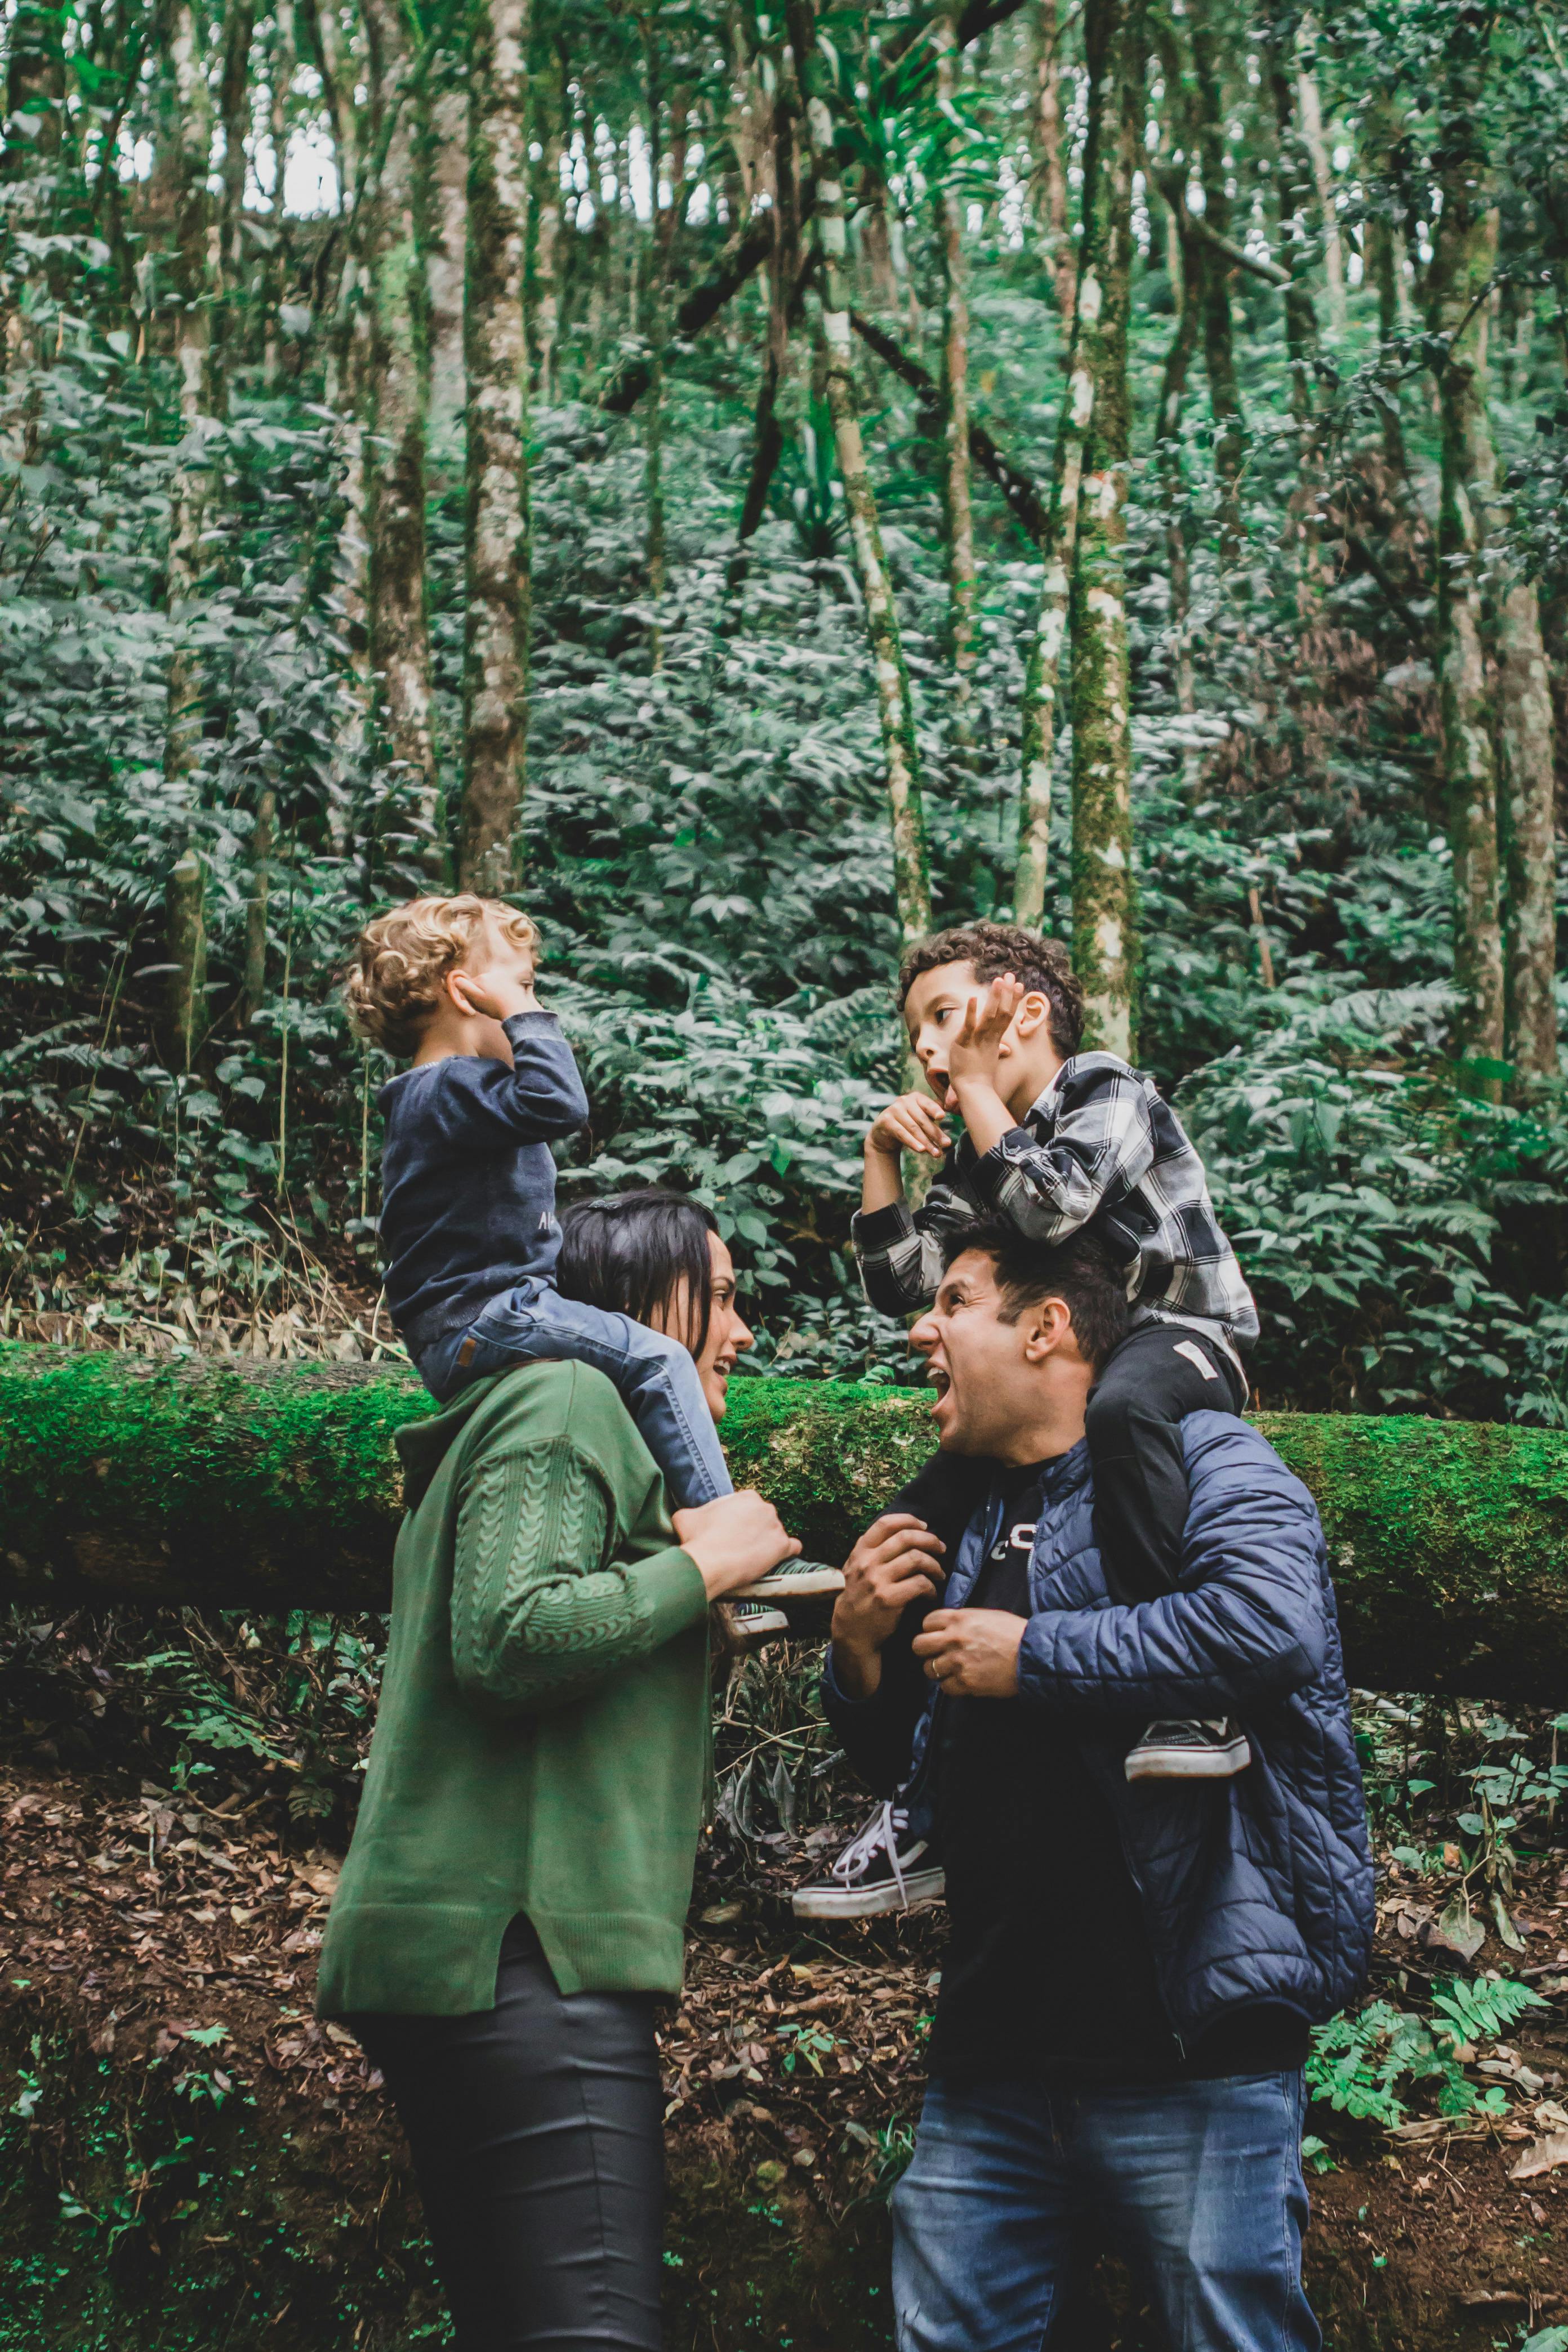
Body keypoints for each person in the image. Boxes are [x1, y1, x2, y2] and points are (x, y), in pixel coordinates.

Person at [819, 1213, 1373, 2352]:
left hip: (1191, 2051)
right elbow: (920, 1765)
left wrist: (1035, 1660)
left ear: (1047, 1329)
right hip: (992, 2051)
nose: (925, 1328)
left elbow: (1270, 1627)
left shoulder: (1209, 1458)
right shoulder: (962, 1513)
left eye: (958, 1301)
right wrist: (860, 1653)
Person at [315, 1189, 800, 2352]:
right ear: (634, 1306)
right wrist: (708, 1568)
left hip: (481, 1961)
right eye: (720, 1298)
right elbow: (510, 1636)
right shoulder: (570, 1397)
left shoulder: (539, 1414)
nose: (738, 1332)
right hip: (523, 1957)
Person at [794, 921, 1258, 1922]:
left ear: (1025, 1013)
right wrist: (880, 1151)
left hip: (1179, 1336)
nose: (926, 1047)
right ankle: (917, 1812)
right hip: (1069, 1373)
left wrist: (967, 1087)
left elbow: (1052, 1210)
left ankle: (1189, 1696)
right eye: (914, 1031)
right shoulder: (975, 1154)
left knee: (1130, 1405)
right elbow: (900, 1283)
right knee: (928, 1506)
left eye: (945, 1019)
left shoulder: (1104, 1092)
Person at [345, 893, 733, 1511]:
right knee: (662, 1360)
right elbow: (562, 1104)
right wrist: (522, 1014)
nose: (537, 1005)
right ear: (468, 994)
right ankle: (724, 1523)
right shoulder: (445, 1088)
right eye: (525, 986)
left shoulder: (458, 1095)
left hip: (486, 1318)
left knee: (627, 1366)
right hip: (485, 1318)